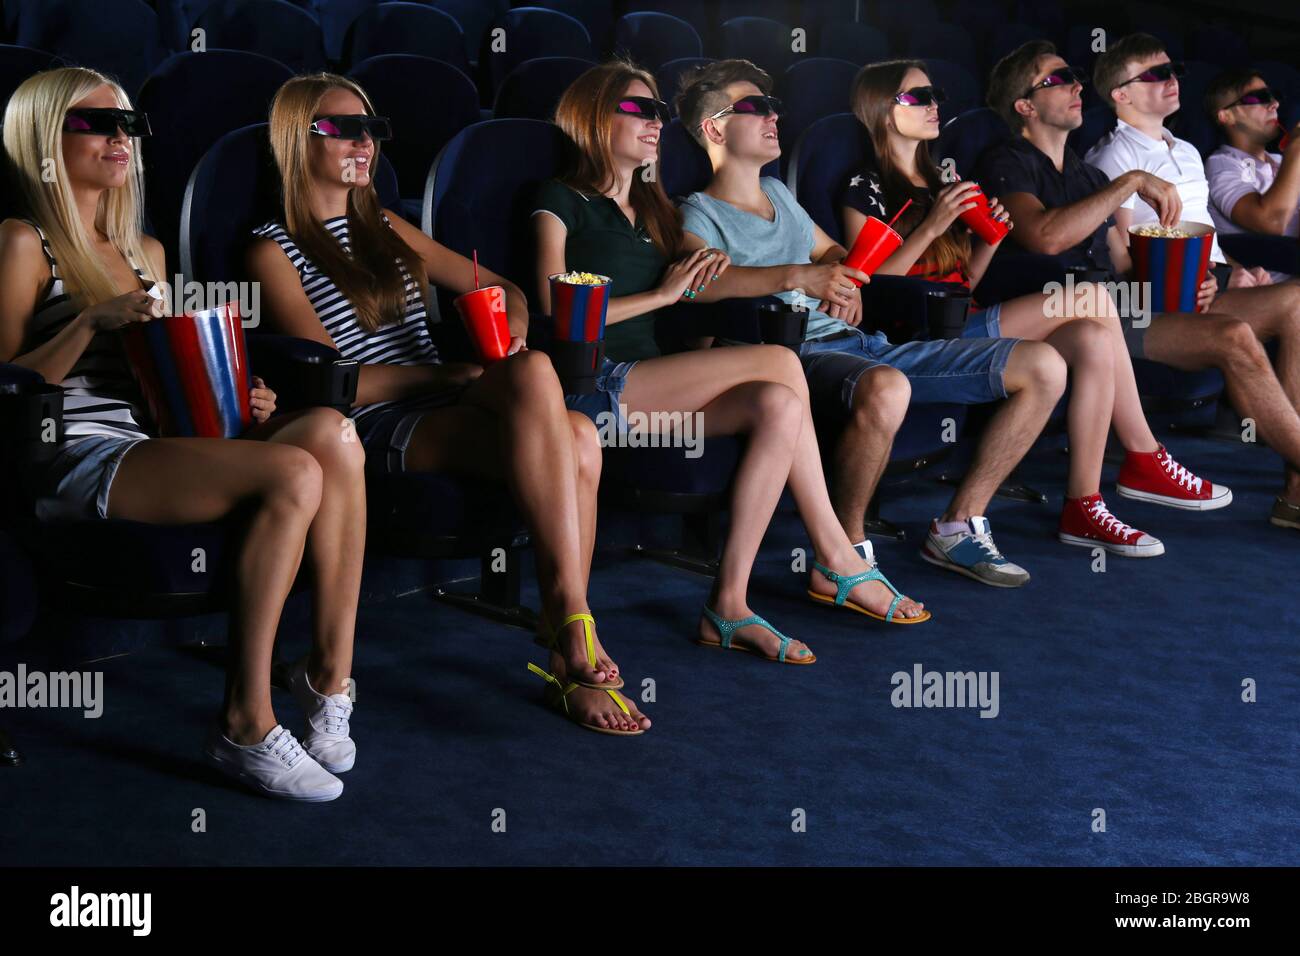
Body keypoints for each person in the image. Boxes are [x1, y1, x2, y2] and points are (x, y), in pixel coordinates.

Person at [246, 73, 655, 735]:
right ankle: (570, 631)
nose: (363, 143)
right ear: (297, 140)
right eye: (342, 128)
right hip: (371, 423)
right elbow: (329, 382)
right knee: (563, 418)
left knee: (567, 413)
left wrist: (512, 322)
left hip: (447, 395)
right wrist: (451, 374)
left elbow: (499, 287)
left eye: (372, 129)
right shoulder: (274, 248)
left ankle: (568, 634)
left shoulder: (383, 224)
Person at [0, 67, 367, 801]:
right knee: (294, 473)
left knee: (330, 432)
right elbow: (8, 382)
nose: (118, 139)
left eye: (128, 126)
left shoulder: (147, 250)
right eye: (95, 124)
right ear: (43, 140)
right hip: (73, 455)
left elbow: (162, 384)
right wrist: (87, 322)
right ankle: (245, 720)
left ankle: (329, 680)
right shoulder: (22, 242)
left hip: (152, 444)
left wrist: (238, 401)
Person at [533, 61, 929, 651]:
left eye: (660, 113)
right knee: (781, 364)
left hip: (646, 400)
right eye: (640, 110)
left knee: (776, 404)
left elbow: (716, 280)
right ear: (594, 120)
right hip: (590, 386)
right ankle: (836, 554)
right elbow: (556, 312)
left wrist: (790, 278)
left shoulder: (658, 213)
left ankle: (729, 605)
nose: (656, 123)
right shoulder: (561, 200)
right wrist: (668, 294)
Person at [674, 58, 1069, 587]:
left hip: (862, 341)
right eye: (754, 108)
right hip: (790, 357)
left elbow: (836, 250)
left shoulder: (780, 195)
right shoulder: (696, 212)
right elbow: (700, 284)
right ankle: (845, 551)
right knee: (886, 387)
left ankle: (956, 524)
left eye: (773, 107)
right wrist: (798, 276)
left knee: (1043, 364)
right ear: (714, 128)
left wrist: (844, 275)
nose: (773, 117)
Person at [842, 59, 1228, 558]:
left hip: (961, 321)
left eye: (935, 94)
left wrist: (989, 240)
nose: (934, 104)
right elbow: (866, 287)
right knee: (1091, 297)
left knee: (1090, 336)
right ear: (882, 111)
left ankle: (1084, 506)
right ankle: (1143, 454)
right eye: (917, 98)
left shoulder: (945, 179)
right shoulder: (864, 184)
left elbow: (967, 282)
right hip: (904, 336)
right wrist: (934, 226)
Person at [980, 40, 1300, 532]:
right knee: (1227, 333)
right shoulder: (1011, 160)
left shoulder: (1085, 174)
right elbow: (1045, 238)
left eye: (1075, 76)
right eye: (1057, 79)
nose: (1075, 85)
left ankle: (1285, 488)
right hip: (1058, 307)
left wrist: (1200, 280)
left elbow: (1124, 264)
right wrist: (1128, 183)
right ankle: (1144, 460)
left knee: (1286, 304)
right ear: (1025, 106)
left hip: (1119, 303)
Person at [1204, 67, 1300, 283]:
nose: (1274, 104)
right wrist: (1296, 147)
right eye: (1260, 98)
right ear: (1226, 115)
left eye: (1274, 97)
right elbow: (1272, 222)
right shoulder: (1222, 164)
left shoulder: (1280, 161)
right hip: (1273, 281)